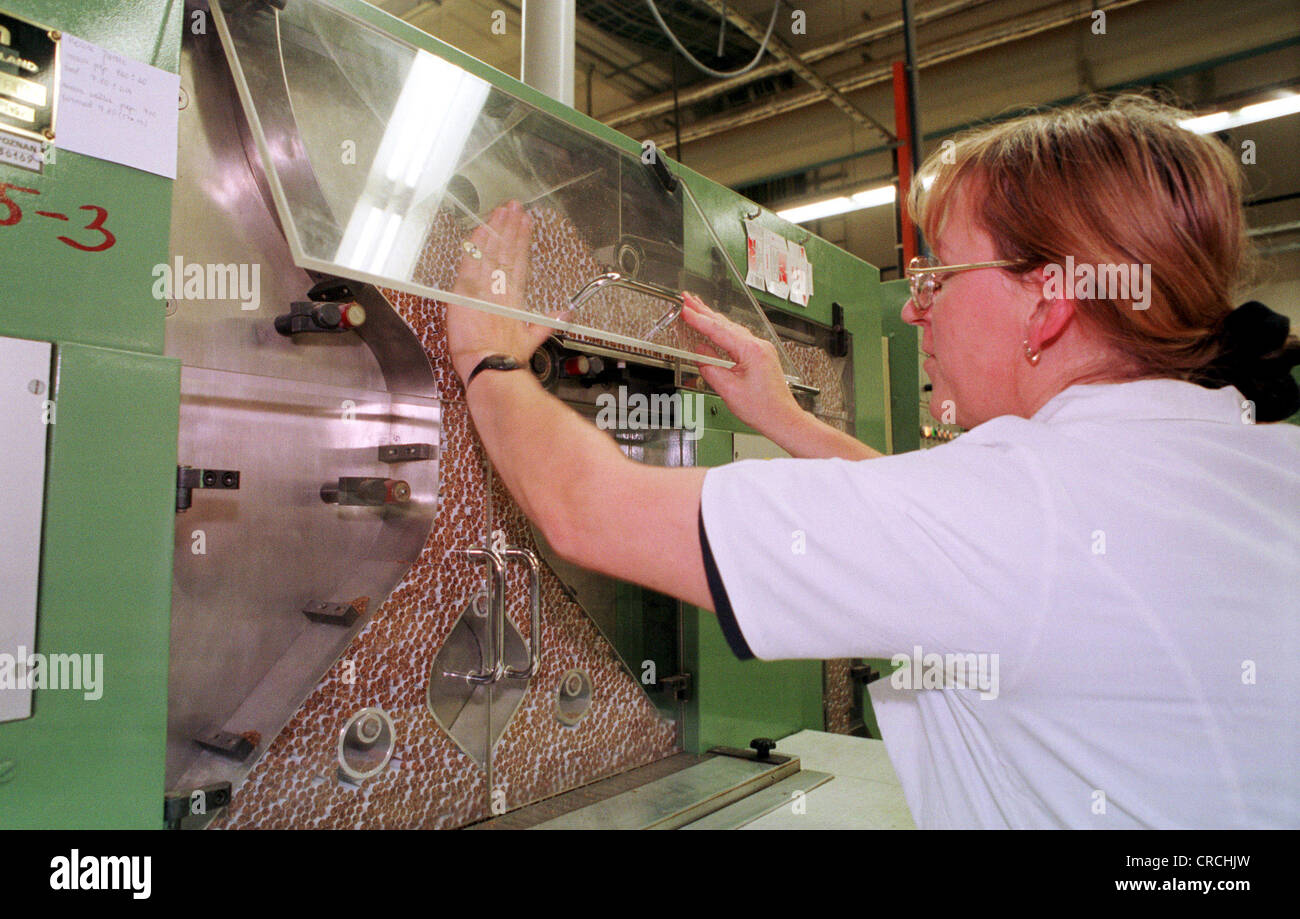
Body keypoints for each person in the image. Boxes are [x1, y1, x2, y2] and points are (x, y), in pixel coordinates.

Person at [441, 94, 1299, 829]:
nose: (917, 312)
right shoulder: (1251, 462)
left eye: (938, 277)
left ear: (1047, 303)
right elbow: (950, 533)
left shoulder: (1020, 502)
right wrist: (782, 416)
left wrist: (489, 356)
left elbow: (584, 510)